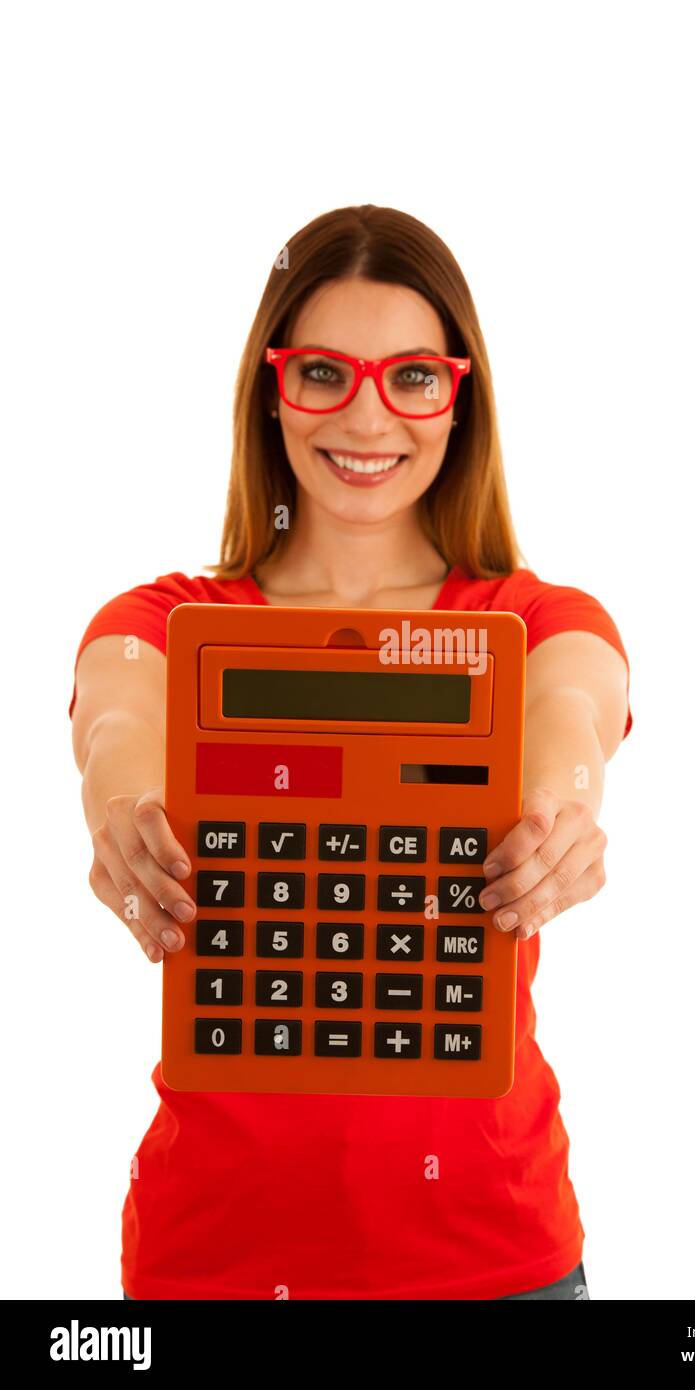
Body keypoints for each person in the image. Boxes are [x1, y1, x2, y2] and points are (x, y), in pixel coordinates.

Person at [69, 204, 633, 1301]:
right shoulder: (163, 619)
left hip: (494, 1257)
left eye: (412, 376)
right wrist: (126, 806)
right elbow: (118, 717)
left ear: (456, 393)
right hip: (215, 1261)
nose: (367, 415)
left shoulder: (535, 618)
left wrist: (558, 810)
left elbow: (571, 704)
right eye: (322, 371)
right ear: (270, 387)